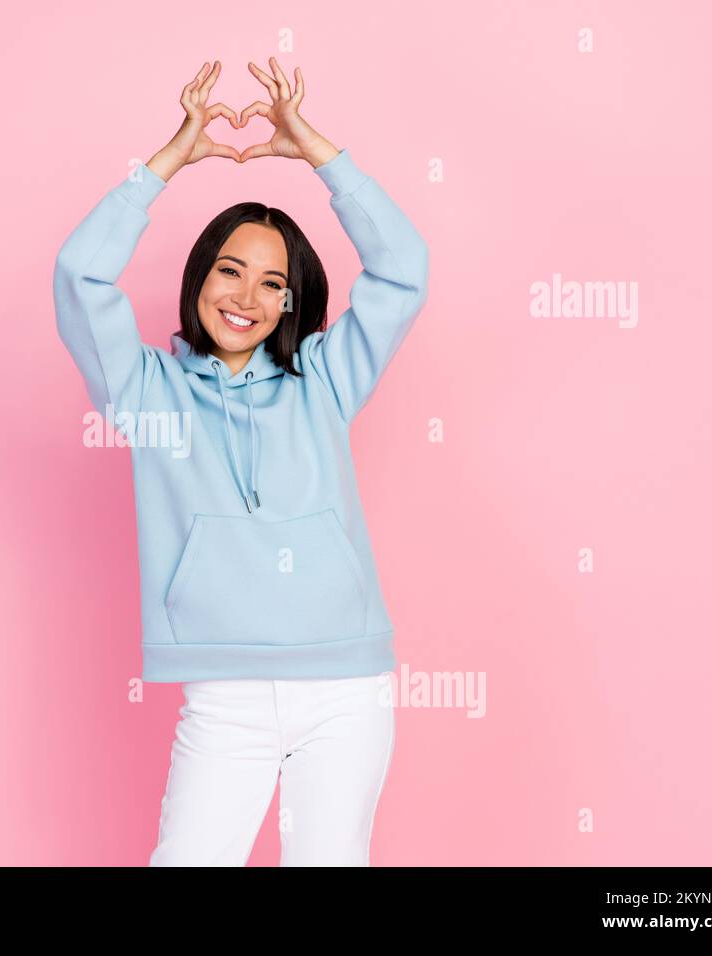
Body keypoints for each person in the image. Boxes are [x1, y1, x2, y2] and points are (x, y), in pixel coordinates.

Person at [53, 58, 429, 866]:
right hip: (223, 695)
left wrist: (324, 158)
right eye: (230, 270)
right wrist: (165, 166)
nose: (246, 298)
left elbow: (405, 269)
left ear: (292, 303)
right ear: (199, 277)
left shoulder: (326, 379)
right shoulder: (146, 392)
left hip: (345, 690)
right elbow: (78, 276)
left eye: (273, 284)